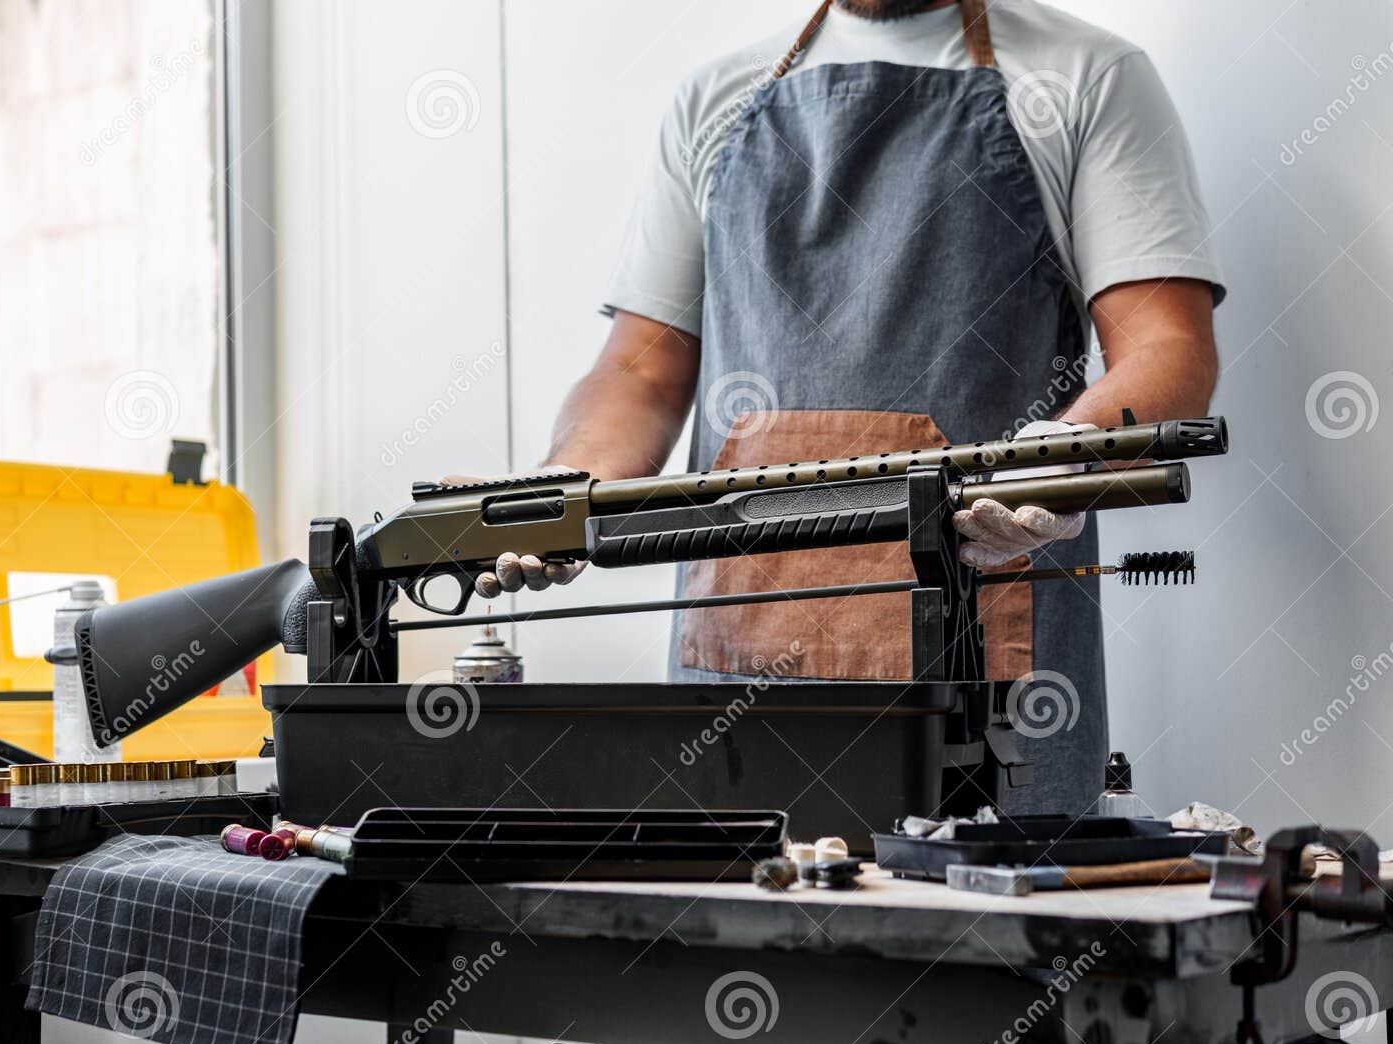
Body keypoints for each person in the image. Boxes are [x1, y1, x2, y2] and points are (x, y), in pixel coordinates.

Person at [460, 0, 1223, 812]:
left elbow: (1168, 348)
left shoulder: (1084, 78)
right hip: (738, 684)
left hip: (986, 691)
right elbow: (641, 372)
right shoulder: (714, 98)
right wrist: (565, 484)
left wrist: (1064, 455)